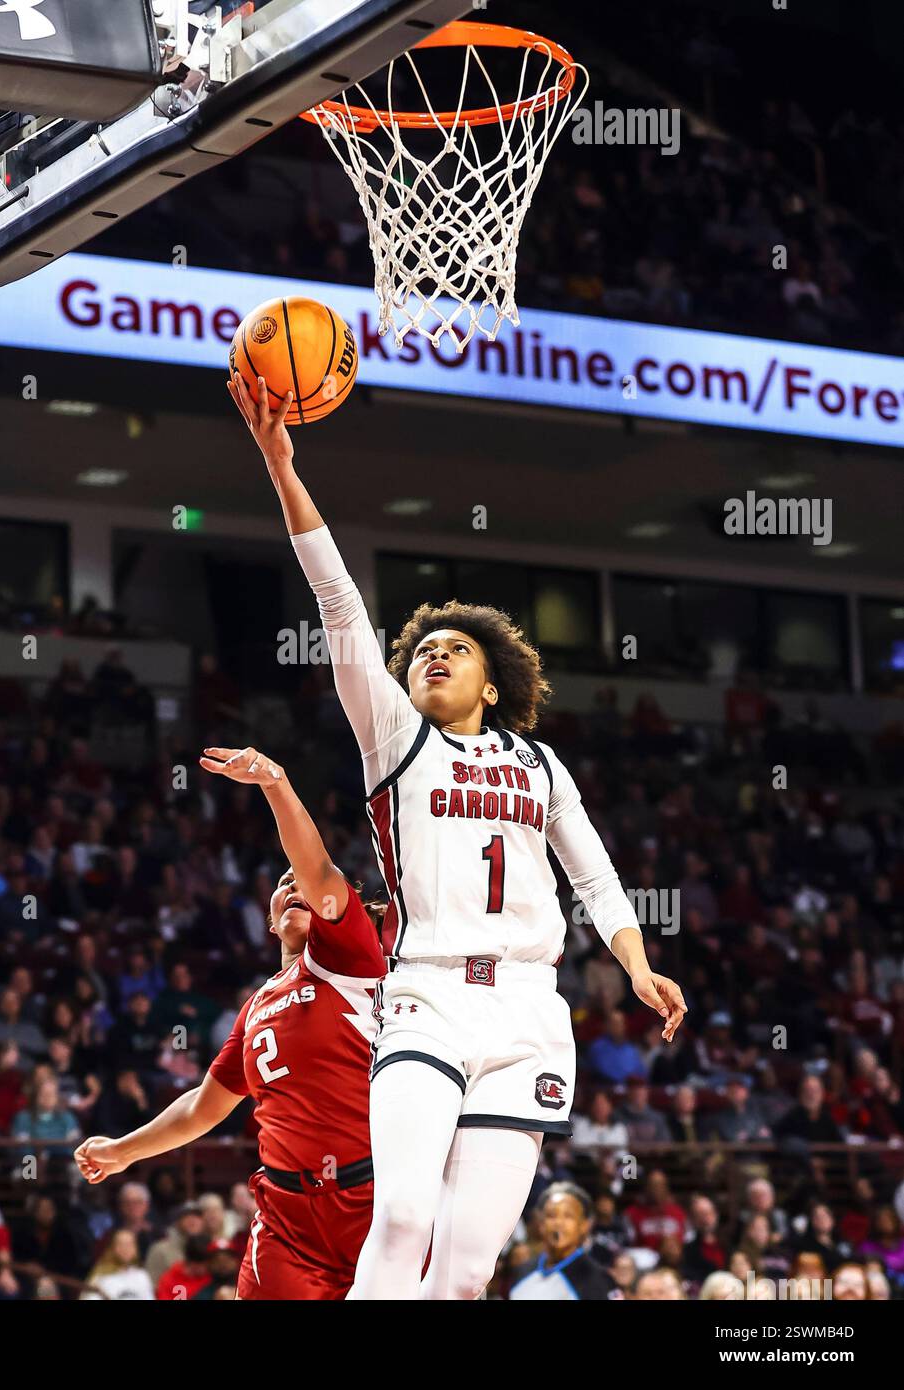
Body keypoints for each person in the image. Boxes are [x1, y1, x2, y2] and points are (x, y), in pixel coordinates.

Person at [229, 374, 687, 1300]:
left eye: (456, 648)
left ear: (491, 681)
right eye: (423, 649)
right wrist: (282, 466)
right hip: (429, 997)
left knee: (468, 1268)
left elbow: (595, 879)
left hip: (526, 1012)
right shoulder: (398, 740)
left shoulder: (542, 764)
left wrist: (636, 965)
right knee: (401, 1220)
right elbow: (339, 606)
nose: (433, 652)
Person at [74, 743, 386, 1301]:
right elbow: (201, 1108)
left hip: (372, 1199)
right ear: (268, 921)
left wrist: (274, 782)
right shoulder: (256, 1006)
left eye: (304, 883)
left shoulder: (351, 957)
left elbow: (316, 869)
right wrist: (123, 1151)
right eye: (281, 883)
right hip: (287, 1219)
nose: (294, 885)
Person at [509, 1183, 619, 1300]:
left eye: (568, 1216)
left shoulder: (598, 1279)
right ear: (540, 1223)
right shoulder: (522, 1271)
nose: (558, 1223)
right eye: (551, 1215)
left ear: (584, 1225)